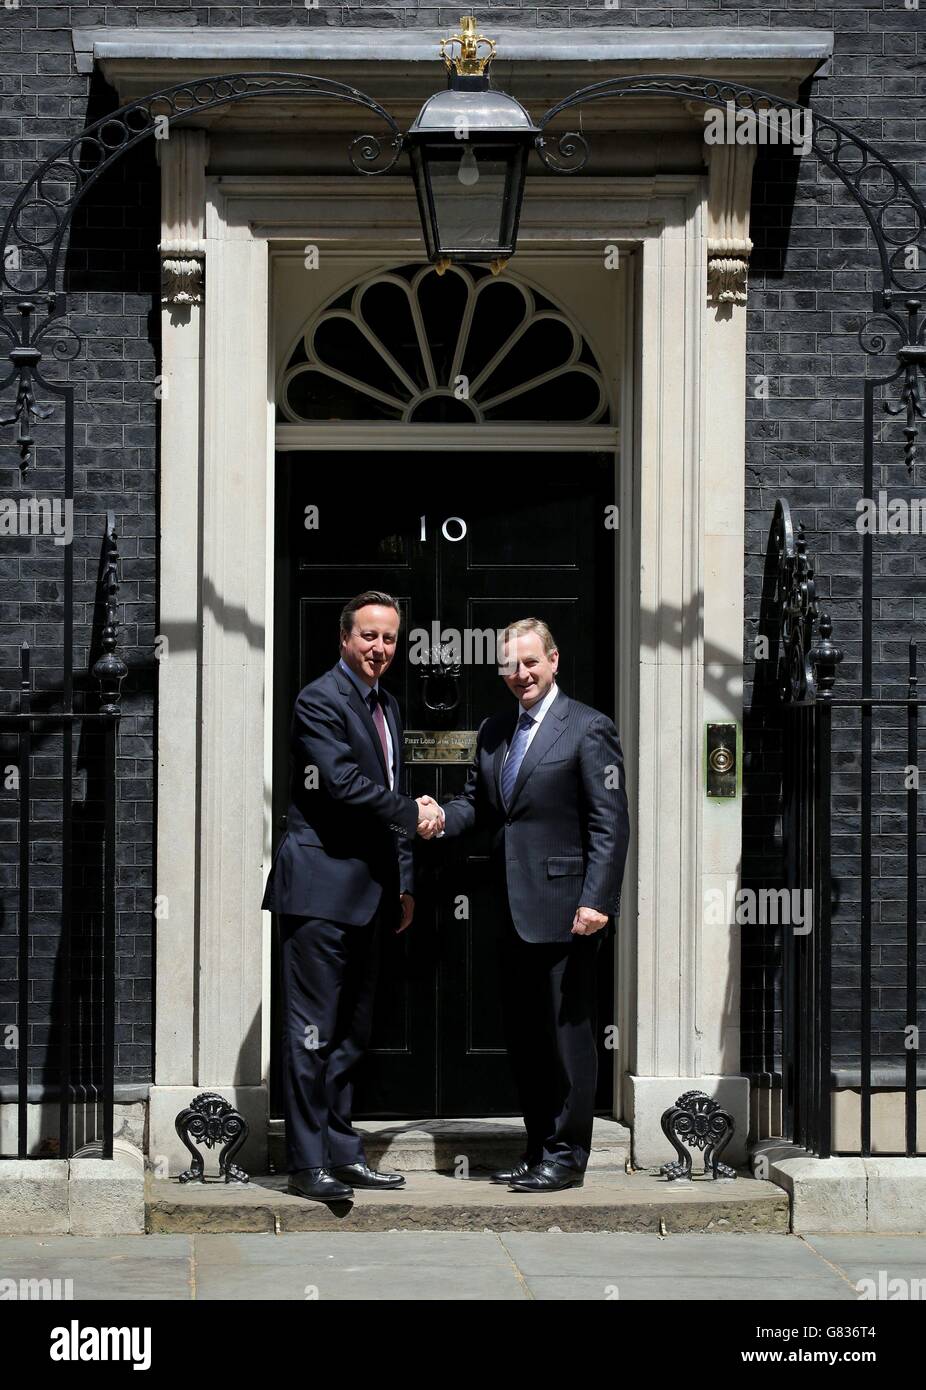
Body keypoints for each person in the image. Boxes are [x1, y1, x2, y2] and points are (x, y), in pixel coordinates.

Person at [420, 617, 630, 1192]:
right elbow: (477, 808)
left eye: (530, 662)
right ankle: (539, 1148)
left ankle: (567, 1158)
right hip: (511, 911)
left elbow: (610, 824)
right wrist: (437, 817)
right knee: (529, 1042)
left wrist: (598, 901)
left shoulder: (588, 729)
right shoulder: (494, 731)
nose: (520, 674)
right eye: (510, 665)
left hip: (569, 912)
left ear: (554, 661)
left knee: (567, 1040)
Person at [261, 590, 441, 1202]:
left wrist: (407, 881)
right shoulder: (318, 699)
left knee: (350, 1036)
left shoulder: (388, 704)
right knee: (311, 1032)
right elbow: (339, 783)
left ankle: (342, 1152)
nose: (380, 649)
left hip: (372, 893)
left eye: (390, 638)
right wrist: (412, 815)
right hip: (318, 890)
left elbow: (394, 792)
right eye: (369, 636)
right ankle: (307, 1164)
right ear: (345, 639)